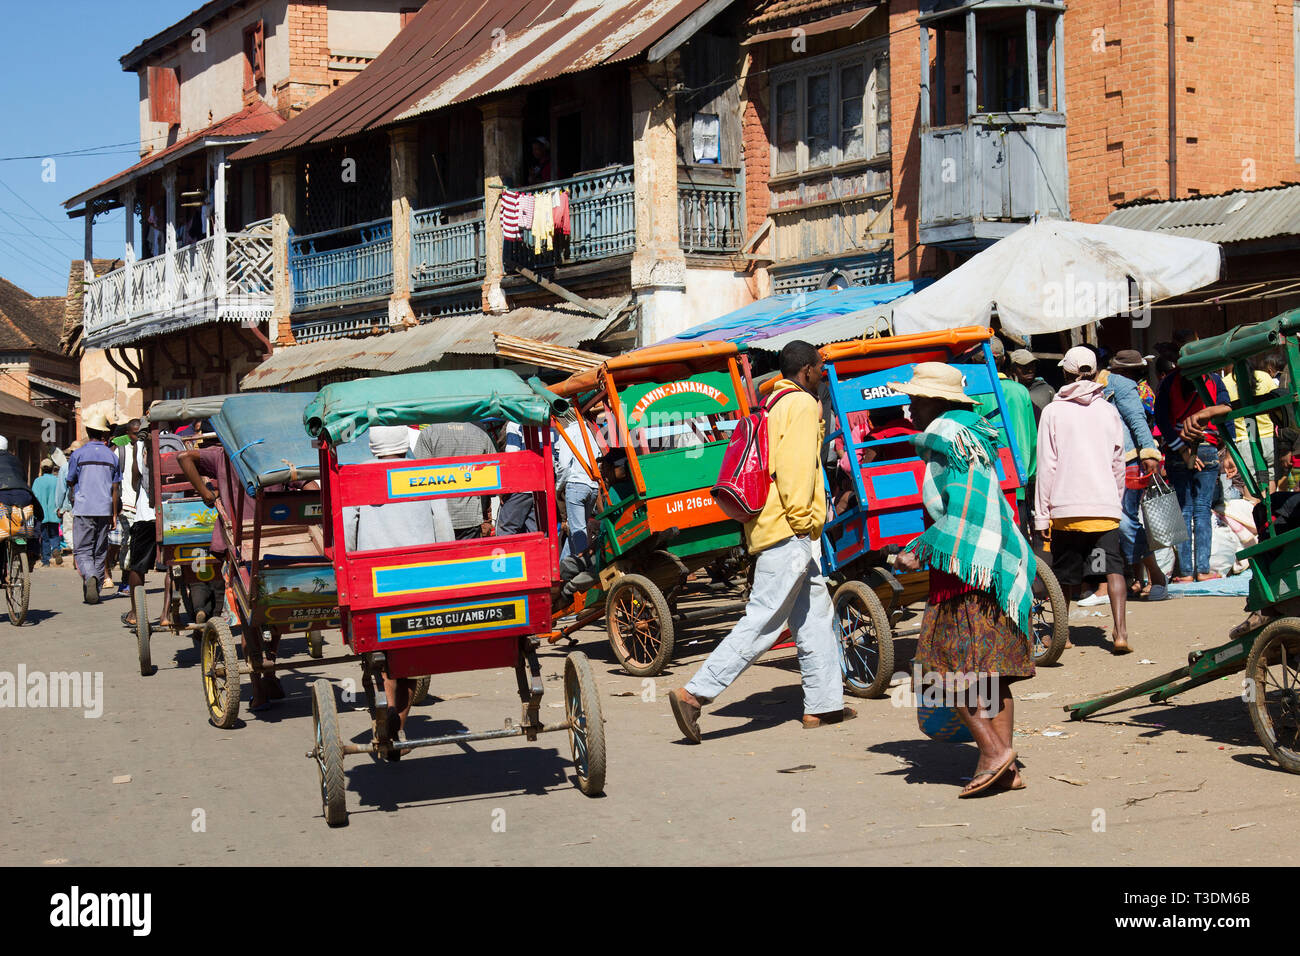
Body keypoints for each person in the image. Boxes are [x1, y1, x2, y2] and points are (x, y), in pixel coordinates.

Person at [668, 340, 853, 742]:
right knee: (765, 620)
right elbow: (795, 469)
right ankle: (694, 694)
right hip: (791, 529)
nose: (823, 373)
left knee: (815, 616)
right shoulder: (799, 405)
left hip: (779, 528)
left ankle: (824, 705)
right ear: (806, 370)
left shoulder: (775, 404)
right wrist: (804, 521)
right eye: (820, 368)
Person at [889, 363, 1037, 796]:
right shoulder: (970, 433)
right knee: (994, 675)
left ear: (937, 402)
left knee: (944, 672)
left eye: (915, 401)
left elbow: (962, 514)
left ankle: (992, 751)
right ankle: (1005, 768)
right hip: (994, 569)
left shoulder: (946, 438)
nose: (910, 410)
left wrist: (917, 550)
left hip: (963, 576)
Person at [344, 426, 454, 756]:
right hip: (419, 580)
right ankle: (399, 729)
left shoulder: (357, 474)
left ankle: (387, 715)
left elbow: (349, 528)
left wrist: (350, 567)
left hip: (374, 582)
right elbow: (444, 530)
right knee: (407, 661)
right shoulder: (425, 473)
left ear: (372, 444)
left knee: (380, 657)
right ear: (405, 442)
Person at [1035, 346, 1130, 653]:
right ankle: (1120, 634)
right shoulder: (1108, 410)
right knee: (1112, 569)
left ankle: (1063, 635)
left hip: (1067, 510)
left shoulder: (1053, 411)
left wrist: (1041, 515)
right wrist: (1114, 499)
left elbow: (1047, 466)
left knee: (1064, 576)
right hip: (1104, 508)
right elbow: (1119, 462)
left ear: (1065, 373)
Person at [1155, 358, 1230, 581]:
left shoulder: (1169, 382)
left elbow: (1161, 420)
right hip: (1207, 446)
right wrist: (1227, 451)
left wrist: (1182, 450)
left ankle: (1186, 573)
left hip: (1176, 451)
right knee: (1202, 509)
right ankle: (1203, 570)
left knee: (1184, 510)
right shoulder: (1214, 380)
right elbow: (1227, 414)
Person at [1103, 350, 1168, 601]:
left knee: (1125, 521)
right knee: (1122, 521)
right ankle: (1137, 579)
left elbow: (1137, 420)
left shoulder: (1121, 385)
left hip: (1128, 460)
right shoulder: (1108, 385)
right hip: (1112, 461)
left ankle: (1157, 575)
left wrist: (1149, 453)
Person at [66, 412, 123, 604]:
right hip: (104, 509)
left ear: (88, 431)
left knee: (82, 550)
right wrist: (114, 514)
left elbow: (70, 480)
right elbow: (115, 488)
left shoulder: (78, 454)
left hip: (84, 508)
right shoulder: (112, 457)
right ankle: (96, 587)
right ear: (104, 434)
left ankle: (90, 576)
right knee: (100, 551)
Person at [413, 421, 496, 539]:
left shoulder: (430, 432)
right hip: (470, 514)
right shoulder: (479, 432)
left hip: (439, 515)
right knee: (469, 556)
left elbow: (417, 474)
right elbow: (494, 474)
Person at [120, 422, 157, 628]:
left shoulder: (140, 446)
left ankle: (135, 612)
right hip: (175, 514)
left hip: (146, 514)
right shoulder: (178, 441)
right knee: (173, 566)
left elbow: (136, 478)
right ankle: (167, 613)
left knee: (138, 565)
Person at [554, 412, 601, 559]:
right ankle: (564, 567)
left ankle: (584, 566)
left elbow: (563, 465)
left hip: (576, 484)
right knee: (578, 530)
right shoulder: (589, 432)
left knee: (577, 530)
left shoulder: (567, 432)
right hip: (592, 486)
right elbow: (598, 459)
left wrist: (558, 487)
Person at [31, 459, 64, 567]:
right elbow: (61, 495)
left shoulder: (37, 481)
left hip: (42, 515)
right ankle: (55, 548)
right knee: (54, 535)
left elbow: (34, 497)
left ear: (42, 469)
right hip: (54, 513)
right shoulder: (56, 480)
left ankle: (46, 561)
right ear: (52, 469)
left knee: (44, 538)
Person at [1008, 349, 1055, 420]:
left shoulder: (1046, 390)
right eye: (1024, 366)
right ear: (1012, 368)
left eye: (1032, 365)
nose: (1030, 370)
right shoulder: (1007, 391)